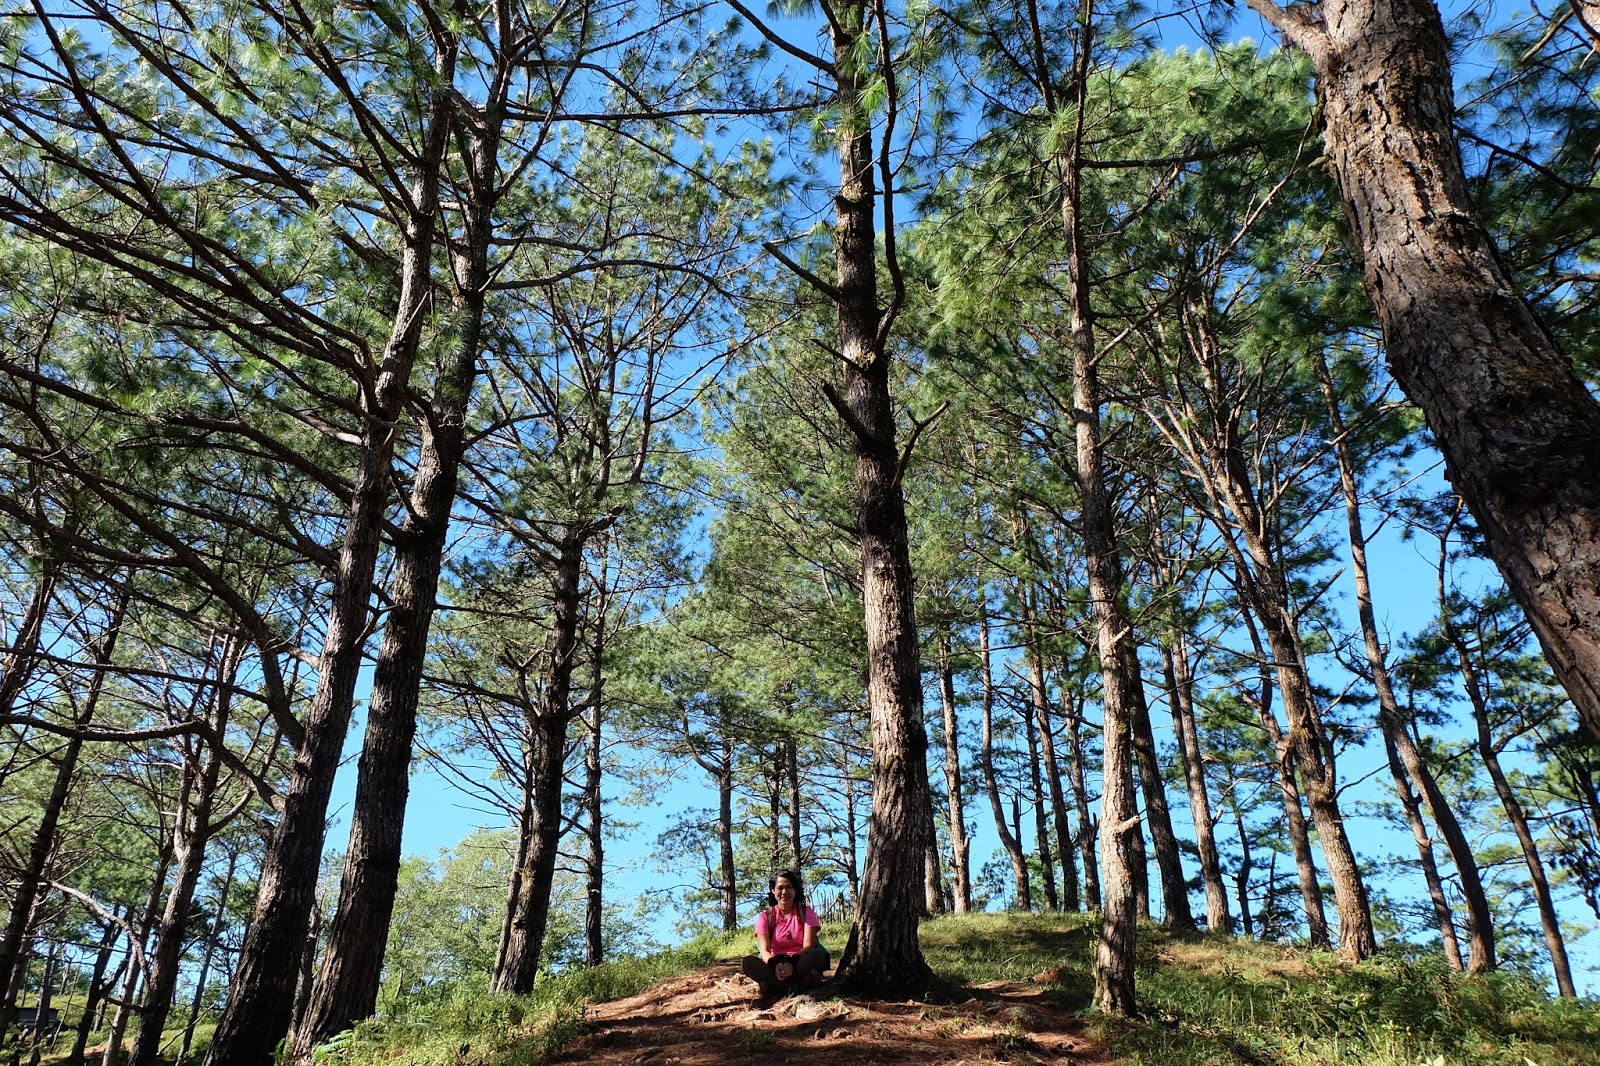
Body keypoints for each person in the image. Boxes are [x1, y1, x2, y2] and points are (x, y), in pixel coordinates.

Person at [741, 869, 829, 996]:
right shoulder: (765, 917)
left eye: (789, 887)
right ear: (773, 890)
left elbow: (808, 945)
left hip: (800, 962)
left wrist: (792, 963)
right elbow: (764, 951)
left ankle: (776, 987)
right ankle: (795, 987)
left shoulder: (806, 912)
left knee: (816, 955)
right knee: (748, 962)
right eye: (780, 888)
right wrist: (776, 964)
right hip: (775, 964)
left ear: (795, 890)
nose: (784, 892)